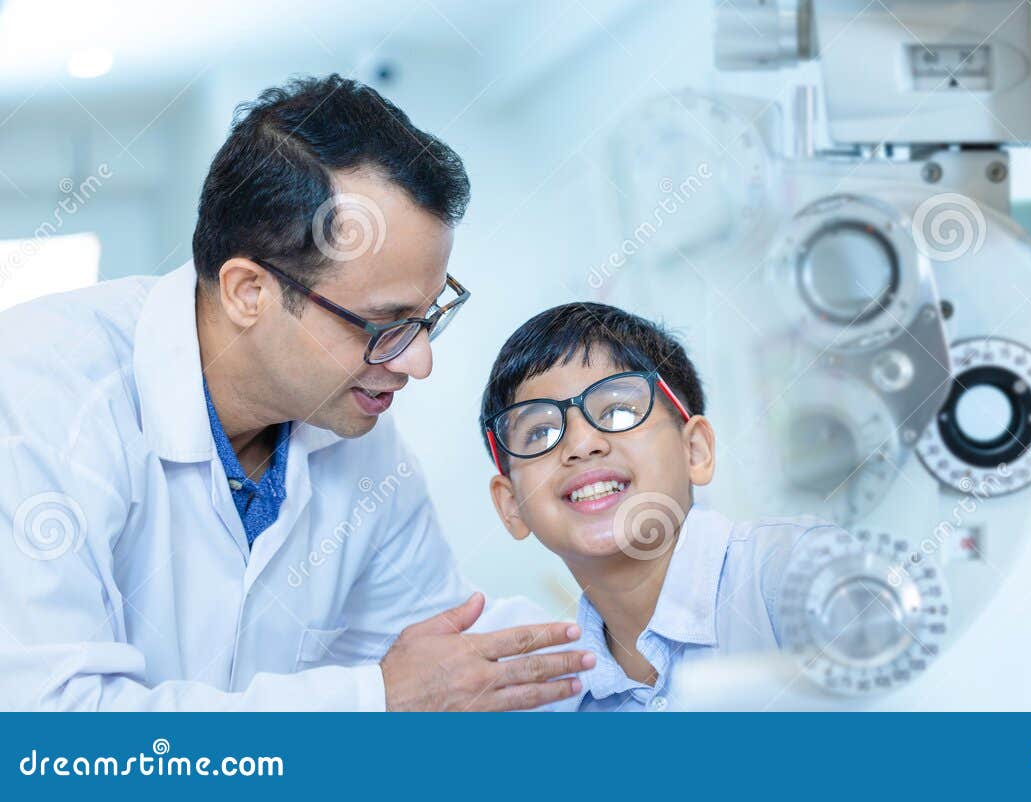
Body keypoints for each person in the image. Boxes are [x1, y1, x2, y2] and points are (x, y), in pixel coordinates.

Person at [0, 75, 592, 711]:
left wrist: (626, 639)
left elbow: (443, 660)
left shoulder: (357, 440)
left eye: (428, 317)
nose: (419, 362)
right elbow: (52, 734)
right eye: (384, 323)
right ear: (249, 292)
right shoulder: (42, 396)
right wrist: (373, 702)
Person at [478, 302, 844, 711]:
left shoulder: (800, 575)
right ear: (511, 506)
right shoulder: (551, 699)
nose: (581, 444)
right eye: (541, 433)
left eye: (618, 412)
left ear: (695, 450)